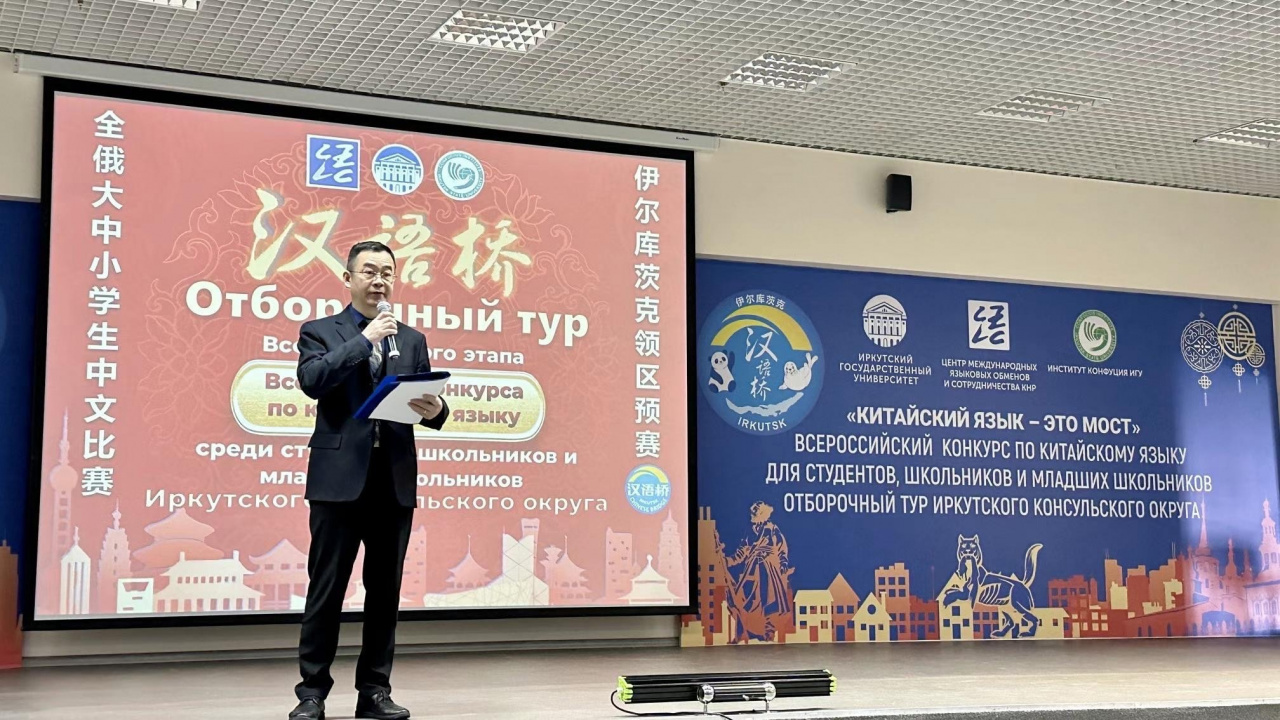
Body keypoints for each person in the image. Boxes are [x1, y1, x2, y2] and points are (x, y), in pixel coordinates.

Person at [288, 241, 449, 720]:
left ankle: (374, 691)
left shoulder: (411, 340)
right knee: (327, 589)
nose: (380, 281)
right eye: (370, 272)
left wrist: (437, 408)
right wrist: (366, 340)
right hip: (338, 481)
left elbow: (425, 399)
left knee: (385, 593)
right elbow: (313, 381)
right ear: (348, 278)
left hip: (392, 480)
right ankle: (312, 694)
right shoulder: (320, 331)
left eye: (387, 273)